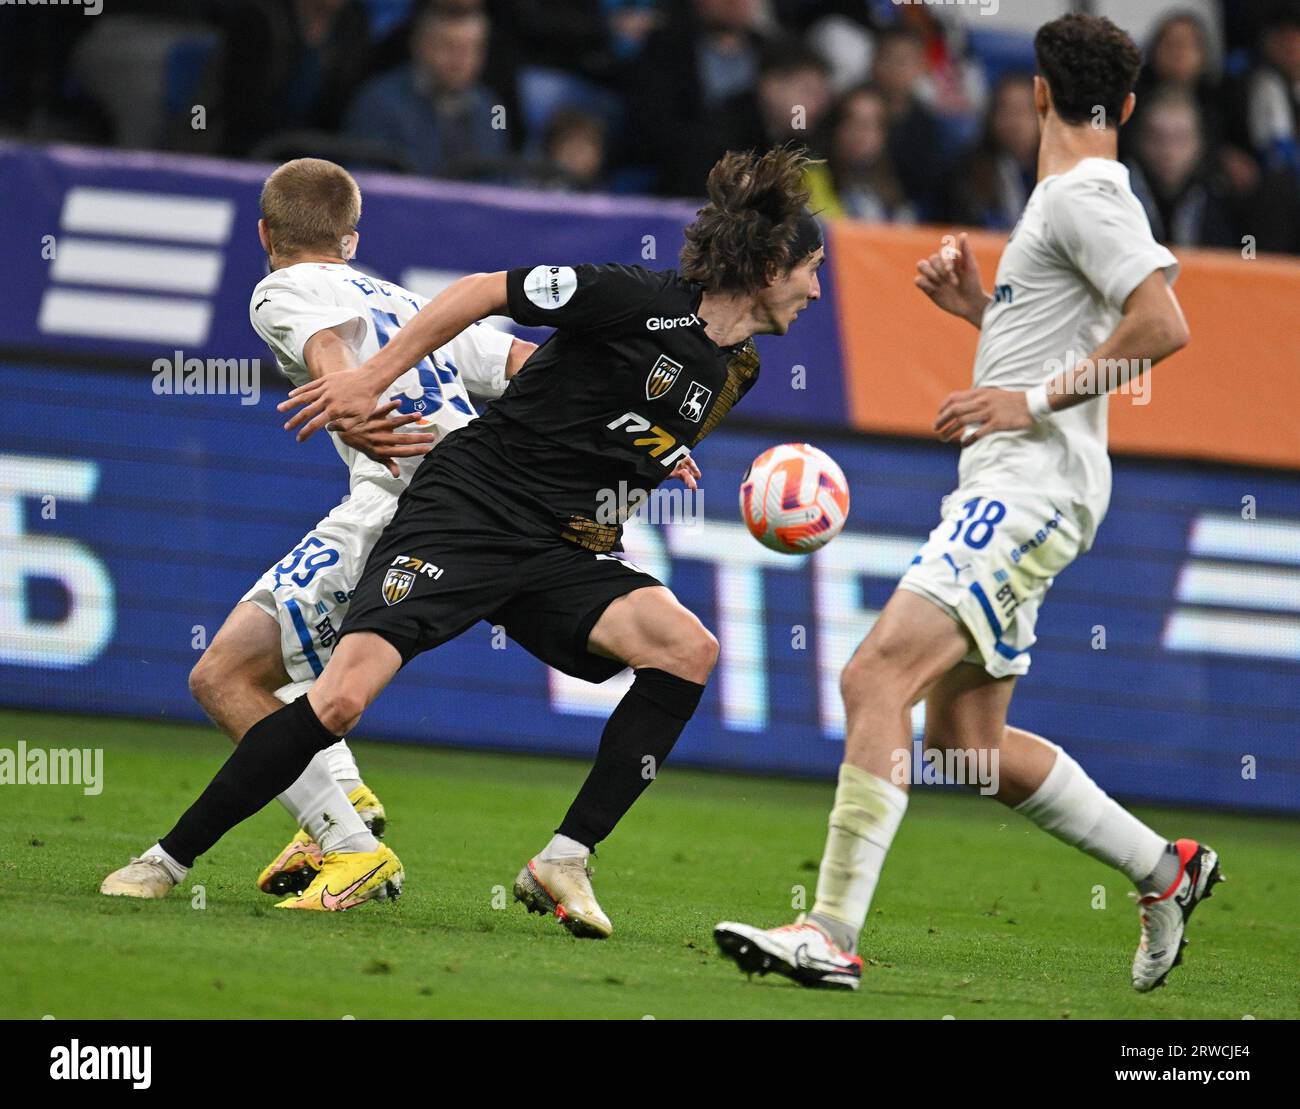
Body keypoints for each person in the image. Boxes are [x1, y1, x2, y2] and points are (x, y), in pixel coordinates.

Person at [101, 147, 824, 938]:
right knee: (336, 695)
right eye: (811, 270)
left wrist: (651, 442)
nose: (817, 290)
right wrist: (363, 380)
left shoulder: (737, 368)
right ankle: (169, 859)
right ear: (768, 266)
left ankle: (564, 857)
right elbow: (478, 296)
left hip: (561, 546)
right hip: (464, 508)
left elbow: (535, 369)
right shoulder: (634, 295)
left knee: (687, 647)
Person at [715, 15, 1220, 995]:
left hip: (1028, 486)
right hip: (1031, 482)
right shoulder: (1067, 201)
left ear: (1034, 92)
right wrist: (986, 317)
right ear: (1120, 105)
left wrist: (1021, 400)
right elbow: (1083, 333)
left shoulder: (1082, 194)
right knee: (964, 749)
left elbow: (1164, 321)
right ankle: (1167, 868)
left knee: (872, 679)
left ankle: (828, 930)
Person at [101, 157, 535, 905]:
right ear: (350, 238)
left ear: (264, 231)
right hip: (471, 513)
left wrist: (347, 397)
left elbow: (326, 341)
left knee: (224, 676)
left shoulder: (280, 288)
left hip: (397, 510)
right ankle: (346, 798)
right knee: (296, 663)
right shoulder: (407, 301)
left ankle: (351, 846)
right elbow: (528, 361)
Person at [344, 4, 507, 179]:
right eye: (448, 46)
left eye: (470, 49)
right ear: (418, 45)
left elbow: (500, 177)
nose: (459, 60)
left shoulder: (495, 108)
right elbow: (367, 181)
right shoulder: (377, 102)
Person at [804, 83, 916, 224]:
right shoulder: (812, 175)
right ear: (836, 128)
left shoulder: (896, 191)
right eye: (852, 121)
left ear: (885, 135)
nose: (861, 133)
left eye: (871, 125)